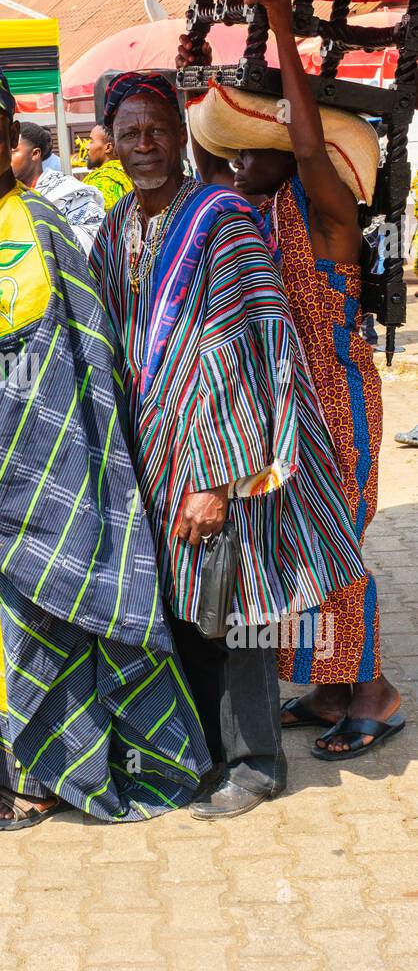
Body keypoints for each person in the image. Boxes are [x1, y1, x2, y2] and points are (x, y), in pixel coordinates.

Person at [0, 53, 211, 830]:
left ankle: (50, 780)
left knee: (40, 629)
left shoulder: (30, 226)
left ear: (14, 137)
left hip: (28, 473)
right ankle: (18, 759)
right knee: (4, 628)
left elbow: (41, 370)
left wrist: (5, 476)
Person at [90, 71, 369, 818]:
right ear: (111, 145)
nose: (144, 144)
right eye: (129, 132)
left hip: (223, 455)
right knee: (185, 608)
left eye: (156, 129)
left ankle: (256, 765)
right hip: (153, 449)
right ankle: (203, 752)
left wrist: (216, 479)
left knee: (239, 607)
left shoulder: (222, 218)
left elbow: (248, 343)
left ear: (182, 137)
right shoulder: (116, 226)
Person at [180, 0, 404, 762]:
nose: (238, 165)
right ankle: (335, 685)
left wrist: (281, 33)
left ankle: (376, 692)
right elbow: (205, 174)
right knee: (302, 545)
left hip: (339, 399)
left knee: (337, 548)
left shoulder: (328, 212)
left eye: (253, 152)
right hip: (288, 407)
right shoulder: (262, 209)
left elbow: (309, 147)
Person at [11, 120, 104, 253]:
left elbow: (93, 238)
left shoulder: (67, 192)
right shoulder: (2, 196)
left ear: (35, 154)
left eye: (13, 151)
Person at [85, 122, 134, 210]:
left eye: (91, 141)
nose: (87, 146)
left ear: (108, 148)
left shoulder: (103, 180)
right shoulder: (131, 171)